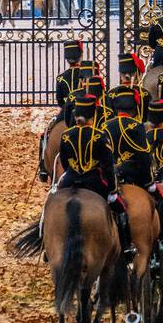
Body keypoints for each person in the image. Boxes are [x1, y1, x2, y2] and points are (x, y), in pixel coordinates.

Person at [56, 94, 135, 260]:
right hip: (94, 182)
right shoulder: (100, 136)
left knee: (52, 201)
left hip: (70, 180)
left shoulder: (66, 135)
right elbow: (107, 166)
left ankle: (45, 236)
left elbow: (64, 162)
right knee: (121, 209)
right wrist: (112, 189)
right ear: (93, 115)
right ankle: (127, 247)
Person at [104, 88, 163, 246]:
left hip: (112, 177)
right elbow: (144, 158)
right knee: (161, 199)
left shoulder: (105, 126)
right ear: (134, 108)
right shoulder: (137, 126)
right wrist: (150, 182)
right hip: (133, 176)